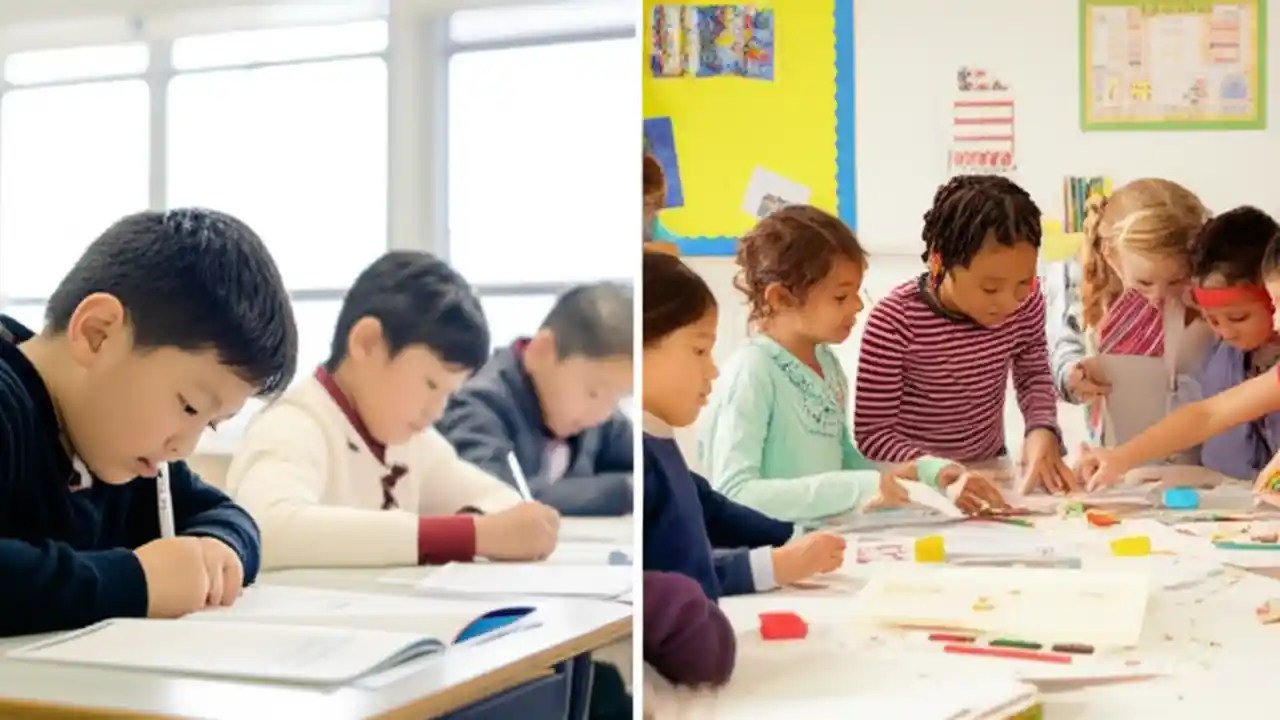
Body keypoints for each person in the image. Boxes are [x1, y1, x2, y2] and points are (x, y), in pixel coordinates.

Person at [0, 208, 296, 636]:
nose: (184, 447)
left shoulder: (124, 454)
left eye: (211, 425)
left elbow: (227, 515)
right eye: (190, 407)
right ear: (98, 334)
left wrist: (213, 551)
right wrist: (137, 582)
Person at [227, 251, 559, 570]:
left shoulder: (413, 442)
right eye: (430, 385)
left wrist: (490, 532)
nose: (436, 411)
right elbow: (267, 529)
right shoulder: (295, 423)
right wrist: (468, 537)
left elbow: (502, 503)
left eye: (448, 394)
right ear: (366, 343)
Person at [699, 205, 1007, 522]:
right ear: (780, 298)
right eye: (841, 297)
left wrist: (925, 470)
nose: (859, 305)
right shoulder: (753, 372)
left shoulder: (825, 363)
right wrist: (860, 487)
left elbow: (844, 463)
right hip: (771, 558)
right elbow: (734, 494)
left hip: (819, 545)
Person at [641, 250, 864, 602]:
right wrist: (771, 566)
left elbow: (714, 510)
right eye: (699, 351)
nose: (712, 370)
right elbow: (682, 577)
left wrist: (790, 535)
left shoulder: (657, 441)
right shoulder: (641, 456)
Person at [854, 175, 1071, 495]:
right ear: (939, 263)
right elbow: (873, 433)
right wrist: (939, 471)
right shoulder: (895, 321)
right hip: (913, 480)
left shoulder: (1027, 303)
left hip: (989, 466)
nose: (1010, 302)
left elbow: (1033, 372)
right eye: (990, 287)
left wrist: (1042, 429)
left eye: (1023, 283)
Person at [1079, 212, 1280, 493]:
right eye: (1212, 320)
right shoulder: (1225, 358)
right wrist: (1119, 458)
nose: (1225, 332)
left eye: (1238, 318)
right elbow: (1207, 415)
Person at [437, 282, 633, 516]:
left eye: (619, 398)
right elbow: (500, 497)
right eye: (593, 392)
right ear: (542, 351)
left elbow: (650, 466)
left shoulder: (595, 415)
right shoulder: (477, 403)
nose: (604, 413)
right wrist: (626, 491)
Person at [1044, 178, 1211, 448]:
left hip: (1192, 448)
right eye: (1144, 283)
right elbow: (1058, 349)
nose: (1159, 296)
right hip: (1111, 445)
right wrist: (1071, 375)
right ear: (1111, 255)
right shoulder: (1075, 280)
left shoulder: (1206, 283)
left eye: (1176, 280)